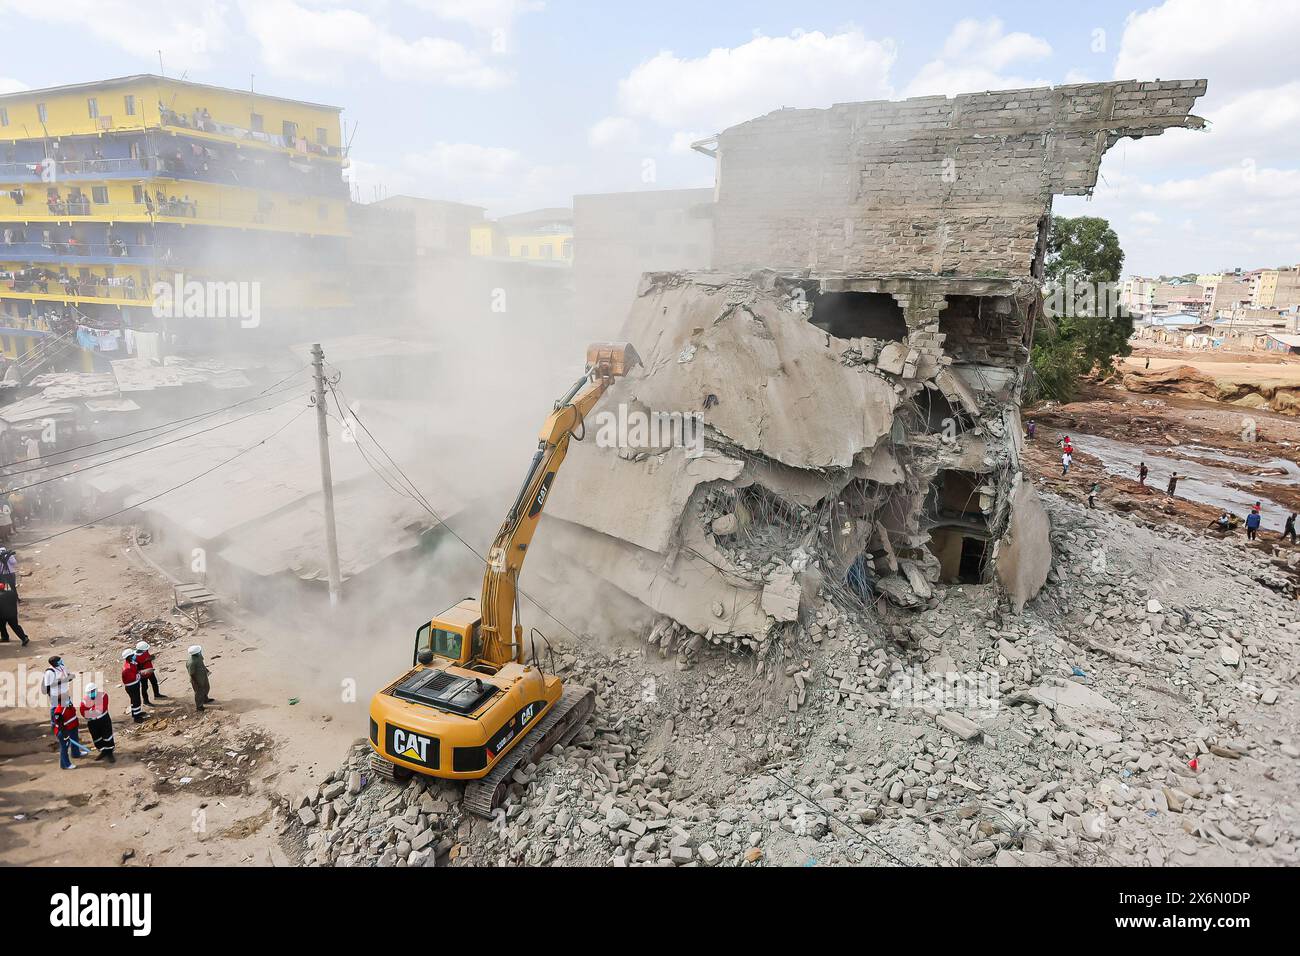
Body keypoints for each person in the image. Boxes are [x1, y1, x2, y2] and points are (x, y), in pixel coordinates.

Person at [79, 683, 115, 762]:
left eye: (93, 691)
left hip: (103, 720)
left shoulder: (103, 696)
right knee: (96, 738)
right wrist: (91, 712)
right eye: (89, 692)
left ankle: (110, 752)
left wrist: (90, 712)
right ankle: (103, 751)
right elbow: (83, 712)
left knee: (107, 736)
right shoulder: (84, 701)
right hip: (92, 722)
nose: (91, 693)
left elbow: (100, 709)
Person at [53, 697, 91, 769]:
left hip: (72, 727)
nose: (68, 701)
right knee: (64, 747)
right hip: (64, 731)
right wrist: (65, 735)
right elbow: (60, 726)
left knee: (75, 739)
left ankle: (76, 753)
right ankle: (65, 764)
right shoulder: (59, 711)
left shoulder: (68, 704)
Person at [121, 648, 149, 723]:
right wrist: (142, 673)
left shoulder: (131, 663)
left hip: (134, 685)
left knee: (136, 700)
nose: (134, 656)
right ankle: (136, 717)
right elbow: (134, 677)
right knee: (135, 701)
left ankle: (137, 713)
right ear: (129, 657)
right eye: (132, 655)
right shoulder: (128, 668)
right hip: (132, 686)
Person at [0, 578, 29, 646]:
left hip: (3, 615)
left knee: (1, 626)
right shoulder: (11, 593)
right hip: (12, 613)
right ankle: (24, 638)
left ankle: (5, 637)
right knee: (15, 626)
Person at [42, 655, 69, 726]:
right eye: (59, 661)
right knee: (55, 708)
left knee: (66, 706)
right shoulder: (49, 672)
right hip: (55, 694)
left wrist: (69, 677)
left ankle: (66, 720)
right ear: (54, 663)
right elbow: (48, 685)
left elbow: (67, 675)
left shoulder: (62, 666)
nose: (61, 661)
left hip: (64, 692)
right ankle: (54, 722)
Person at [187, 645, 213, 711]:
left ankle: (205, 699)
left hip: (203, 676)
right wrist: (196, 682)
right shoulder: (191, 662)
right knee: (199, 692)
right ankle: (199, 706)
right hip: (197, 679)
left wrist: (206, 671)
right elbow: (191, 674)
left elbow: (202, 664)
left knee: (206, 688)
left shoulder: (199, 657)